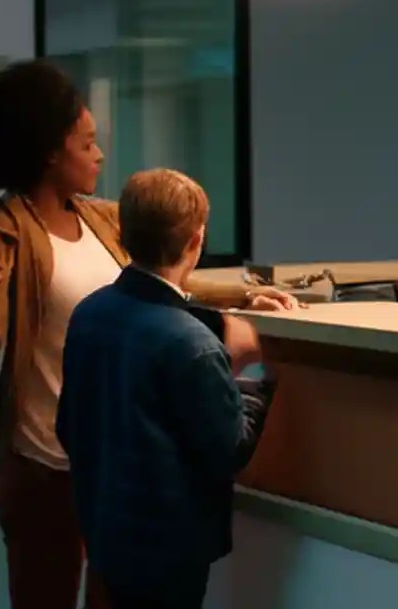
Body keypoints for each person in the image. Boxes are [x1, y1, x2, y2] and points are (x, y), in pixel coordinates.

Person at [0, 60, 294, 609]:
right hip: (43, 460)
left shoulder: (102, 219)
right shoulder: (4, 229)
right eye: (87, 144)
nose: (100, 155)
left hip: (104, 457)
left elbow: (168, 266)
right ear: (50, 152)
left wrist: (241, 298)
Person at [58, 169, 279, 609]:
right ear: (196, 242)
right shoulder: (193, 346)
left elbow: (68, 423)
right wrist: (264, 384)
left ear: (123, 233)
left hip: (106, 529)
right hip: (170, 549)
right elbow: (229, 447)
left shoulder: (89, 313)